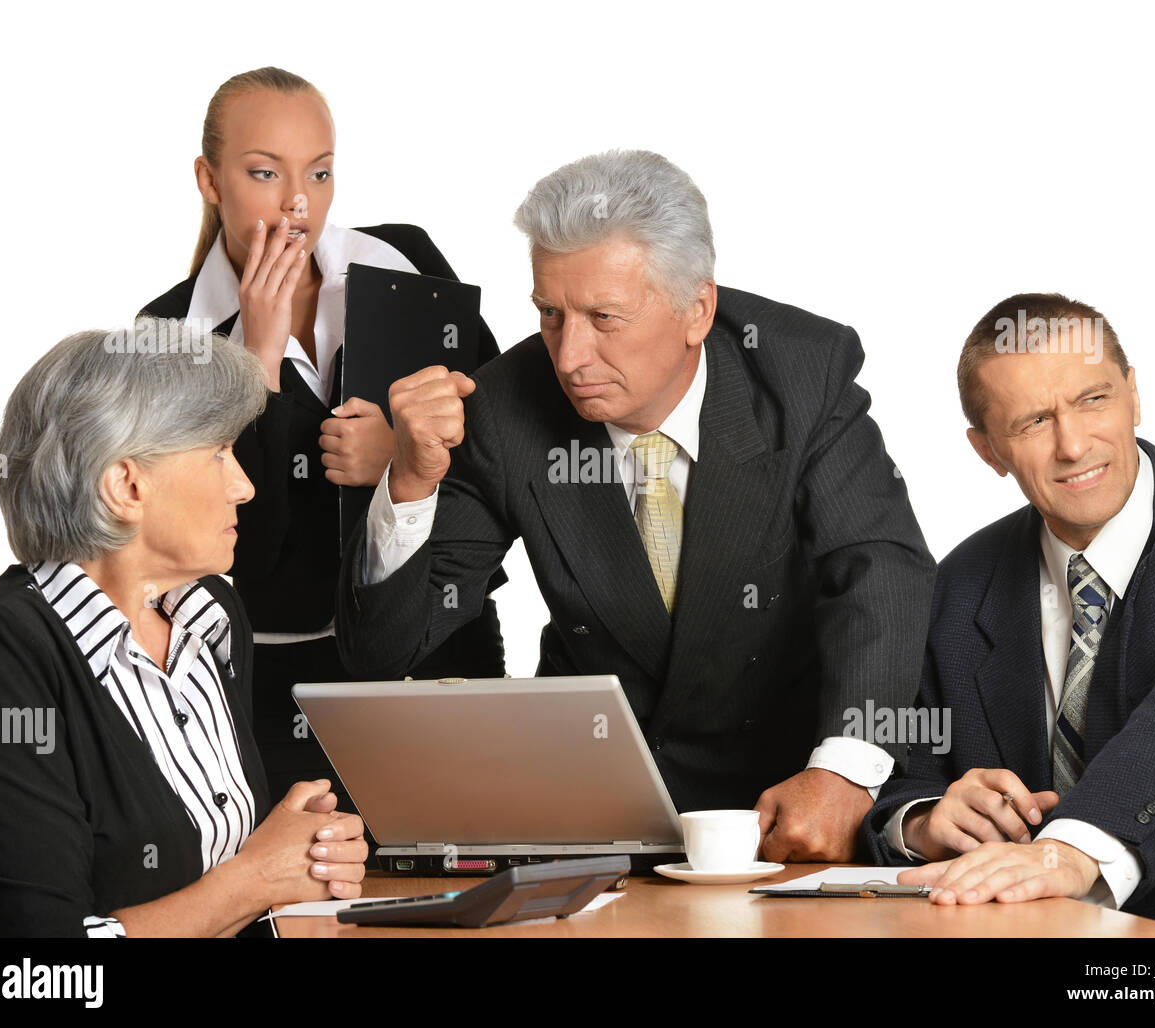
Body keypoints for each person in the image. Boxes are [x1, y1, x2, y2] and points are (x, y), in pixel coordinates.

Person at [336, 150, 936, 861]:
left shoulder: (804, 371)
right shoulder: (503, 405)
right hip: (593, 813)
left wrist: (844, 772)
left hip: (788, 801)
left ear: (697, 310)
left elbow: (879, 571)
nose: (569, 357)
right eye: (550, 314)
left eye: (605, 317)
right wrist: (409, 483)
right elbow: (384, 652)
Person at [140, 67, 505, 807]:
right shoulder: (167, 334)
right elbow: (241, 553)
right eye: (264, 173)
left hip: (443, 652)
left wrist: (403, 461)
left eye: (321, 171)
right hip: (283, 686)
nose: (298, 201)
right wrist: (260, 363)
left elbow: (504, 440)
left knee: (474, 886)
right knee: (310, 902)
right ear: (210, 180)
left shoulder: (404, 263)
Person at [0, 324, 368, 937]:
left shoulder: (211, 616)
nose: (244, 486)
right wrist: (258, 876)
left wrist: (304, 854)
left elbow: (210, 884)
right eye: (219, 453)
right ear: (127, 485)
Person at [863, 293, 1155, 937]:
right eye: (1034, 422)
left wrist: (1072, 849)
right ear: (988, 450)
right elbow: (900, 767)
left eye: (1093, 400)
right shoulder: (959, 583)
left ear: (1133, 392)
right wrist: (929, 821)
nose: (1073, 445)